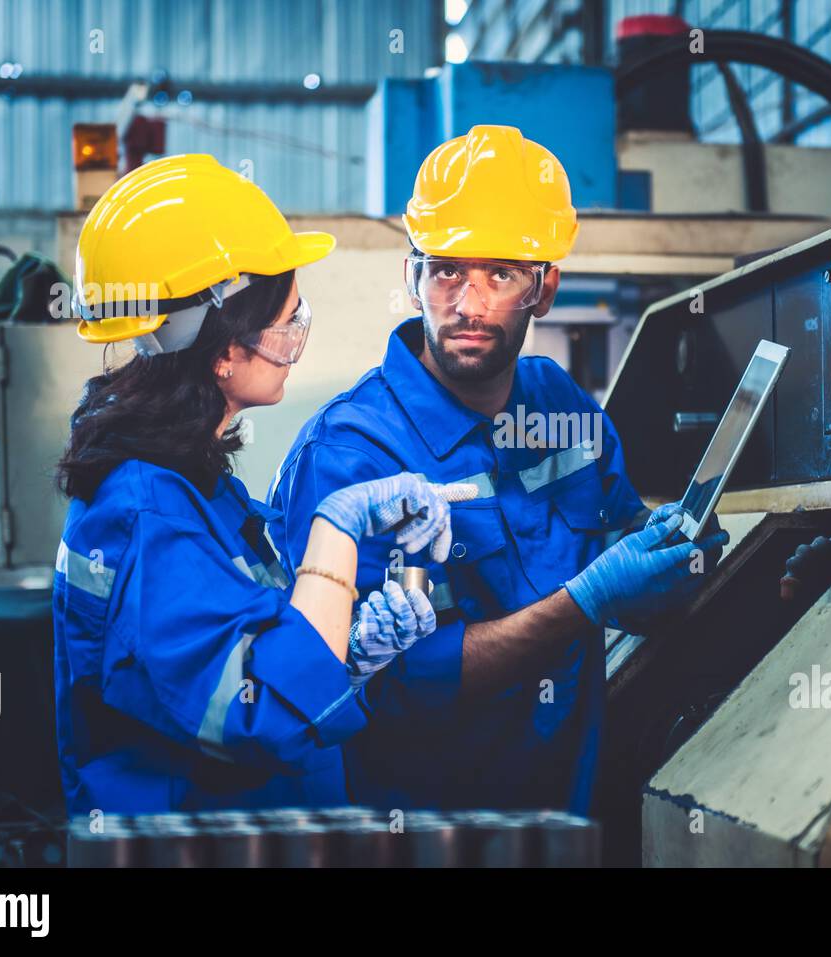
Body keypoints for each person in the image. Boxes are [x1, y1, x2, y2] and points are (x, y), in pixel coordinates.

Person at [268, 126, 727, 815]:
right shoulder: (349, 452)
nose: (469, 303)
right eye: (447, 269)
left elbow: (615, 530)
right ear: (412, 279)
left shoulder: (561, 405)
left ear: (544, 289)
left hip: (568, 818)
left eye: (502, 274)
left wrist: (665, 548)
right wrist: (587, 601)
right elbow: (377, 686)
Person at [52, 154, 470, 816]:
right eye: (288, 320)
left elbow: (245, 658)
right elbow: (263, 715)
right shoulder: (145, 513)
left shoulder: (191, 484)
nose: (297, 335)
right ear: (224, 343)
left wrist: (348, 655)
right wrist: (335, 530)